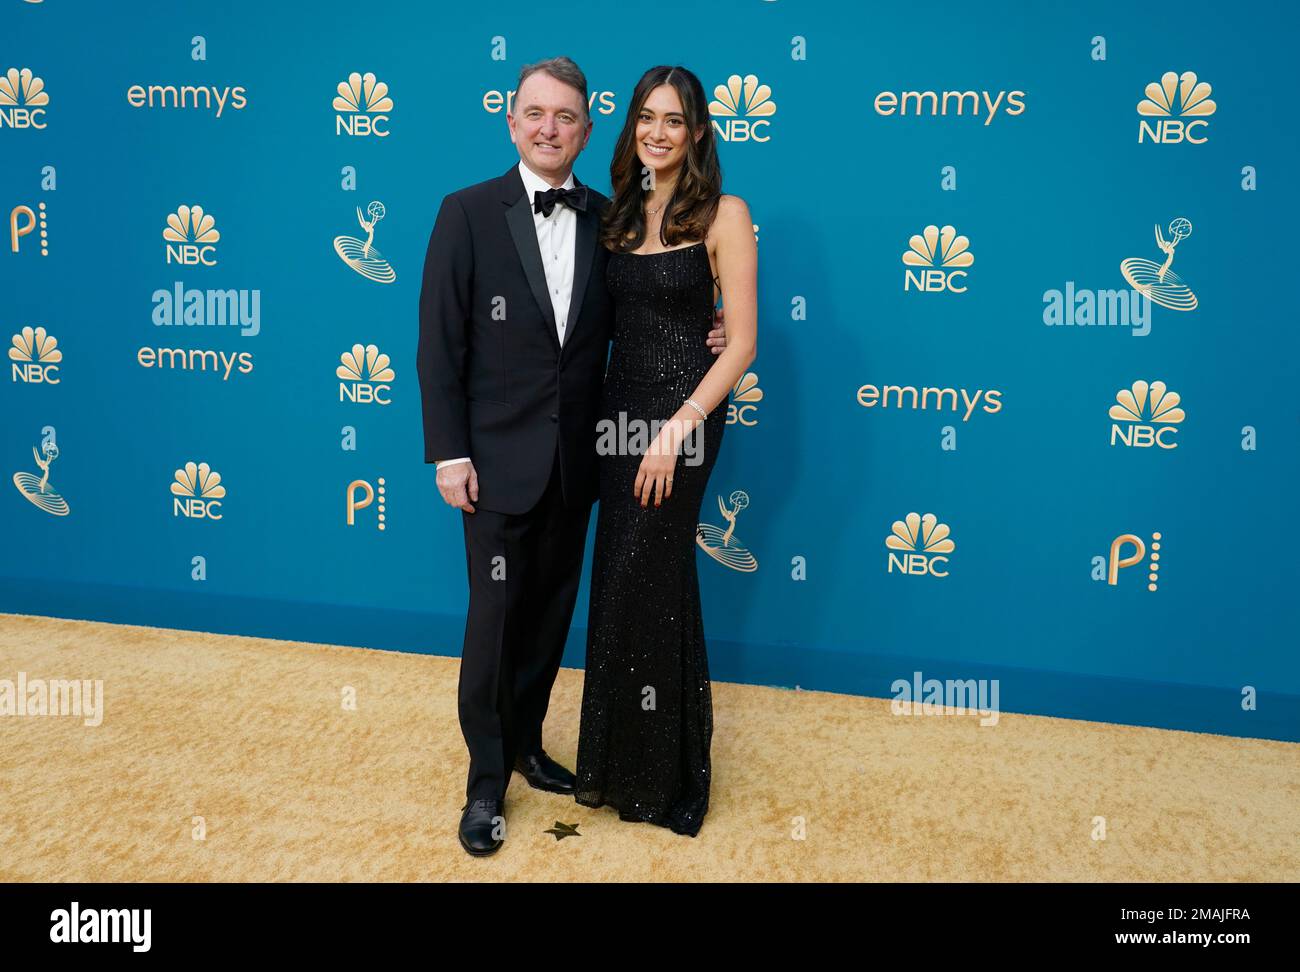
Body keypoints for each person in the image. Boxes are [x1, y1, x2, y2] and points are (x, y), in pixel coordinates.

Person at [416, 57, 727, 856]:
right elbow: (437, 345)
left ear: (588, 131)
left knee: (552, 616)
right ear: (511, 120)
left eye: (566, 117)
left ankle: (526, 747)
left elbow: (658, 305)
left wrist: (712, 334)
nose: (549, 128)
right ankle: (485, 787)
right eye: (535, 114)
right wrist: (448, 454)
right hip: (490, 465)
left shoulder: (610, 216)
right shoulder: (467, 211)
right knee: (494, 623)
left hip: (583, 461)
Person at [574, 65, 757, 836]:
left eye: (674, 120)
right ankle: (621, 765)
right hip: (619, 414)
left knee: (649, 569)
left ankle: (662, 778)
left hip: (684, 418)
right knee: (625, 576)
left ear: (698, 132)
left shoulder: (725, 213)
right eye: (647, 117)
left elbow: (740, 342)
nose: (658, 132)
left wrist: (678, 427)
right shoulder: (617, 215)